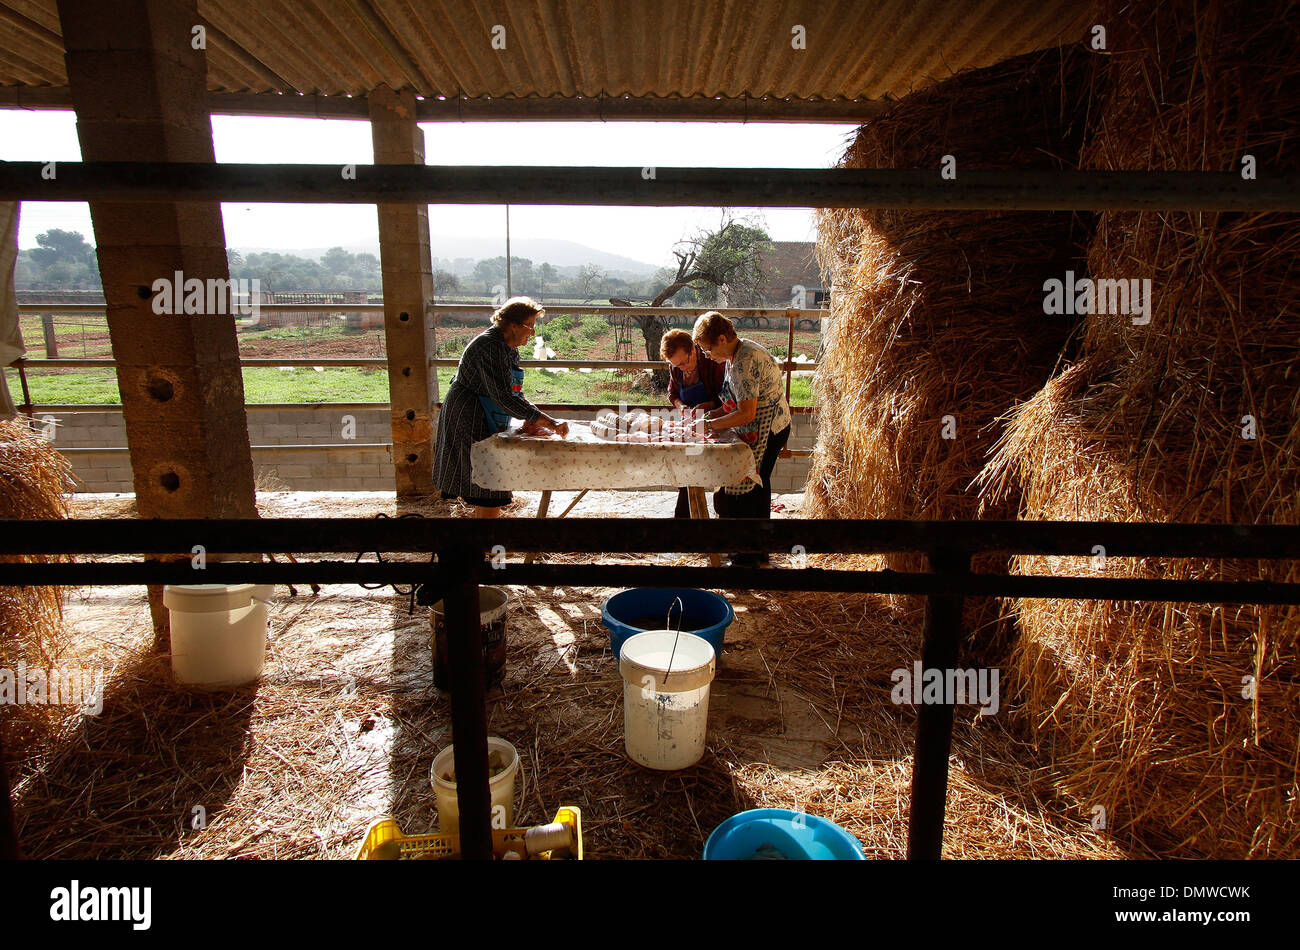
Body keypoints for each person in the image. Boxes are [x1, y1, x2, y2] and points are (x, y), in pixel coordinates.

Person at [433, 297, 569, 518]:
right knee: (488, 481)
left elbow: (513, 392)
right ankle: (484, 543)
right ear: (513, 325)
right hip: (470, 412)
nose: (533, 333)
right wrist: (547, 421)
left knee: (488, 479)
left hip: (485, 409)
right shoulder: (490, 346)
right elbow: (505, 398)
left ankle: (482, 540)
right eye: (530, 326)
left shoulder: (508, 347)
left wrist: (531, 414)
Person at [691, 311, 793, 565]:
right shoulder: (735, 353)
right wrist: (710, 414)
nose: (706, 355)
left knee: (751, 488)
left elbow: (746, 413)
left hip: (769, 427)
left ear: (722, 338)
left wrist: (711, 424)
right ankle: (755, 550)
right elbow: (734, 402)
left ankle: (749, 555)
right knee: (753, 486)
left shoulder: (746, 361)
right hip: (757, 425)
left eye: (707, 349)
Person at [661, 328, 725, 518]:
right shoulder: (676, 366)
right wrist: (681, 407)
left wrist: (706, 406)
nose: (683, 368)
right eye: (677, 365)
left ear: (693, 349)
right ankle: (685, 517)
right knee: (685, 469)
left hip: (715, 422)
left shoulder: (712, 362)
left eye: (685, 362)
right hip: (689, 423)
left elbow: (726, 398)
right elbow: (672, 393)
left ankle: (720, 514)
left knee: (717, 469)